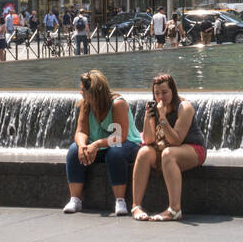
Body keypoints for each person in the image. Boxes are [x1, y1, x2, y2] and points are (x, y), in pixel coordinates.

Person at [64, 69, 141, 216]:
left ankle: (120, 200)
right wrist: (82, 146)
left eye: (82, 90)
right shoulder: (85, 105)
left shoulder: (117, 104)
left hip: (127, 143)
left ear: (93, 92)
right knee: (74, 151)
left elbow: (120, 136)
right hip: (97, 145)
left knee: (115, 154)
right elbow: (81, 131)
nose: (80, 93)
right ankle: (75, 199)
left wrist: (97, 144)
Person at [130, 73, 206, 222]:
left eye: (164, 92)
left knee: (168, 154)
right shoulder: (155, 107)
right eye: (157, 93)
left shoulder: (184, 108)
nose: (160, 97)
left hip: (192, 149)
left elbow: (176, 140)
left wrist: (163, 119)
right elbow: (148, 139)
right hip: (164, 148)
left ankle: (174, 210)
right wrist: (148, 117)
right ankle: (136, 206)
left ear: (173, 91)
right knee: (144, 152)